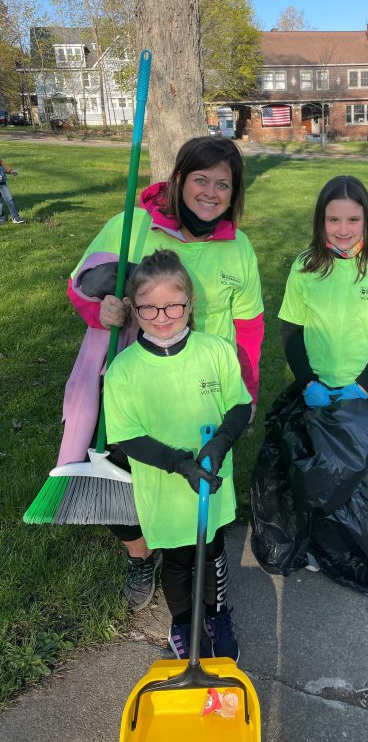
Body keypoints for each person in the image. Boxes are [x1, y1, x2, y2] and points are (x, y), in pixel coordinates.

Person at [66, 136, 264, 610]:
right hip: (131, 379)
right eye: (202, 179)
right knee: (114, 474)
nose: (211, 192)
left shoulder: (237, 247)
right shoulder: (130, 226)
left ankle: (201, 565)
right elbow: (82, 286)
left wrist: (248, 389)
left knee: (191, 480)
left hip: (200, 386)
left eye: (223, 184)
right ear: (178, 180)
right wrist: (103, 312)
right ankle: (140, 556)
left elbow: (249, 325)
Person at [104, 249, 251, 660]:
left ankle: (217, 616)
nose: (163, 316)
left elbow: (239, 406)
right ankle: (183, 623)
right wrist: (179, 463)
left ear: (191, 304)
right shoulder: (124, 370)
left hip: (212, 480)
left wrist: (219, 443)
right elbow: (127, 437)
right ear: (133, 309)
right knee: (177, 559)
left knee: (211, 548)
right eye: (149, 307)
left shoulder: (215, 351)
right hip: (164, 491)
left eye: (173, 305)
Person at [279, 175, 368, 572]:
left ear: (367, 221)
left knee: (359, 468)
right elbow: (291, 332)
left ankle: (357, 546)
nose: (343, 230)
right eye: (333, 220)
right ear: (321, 222)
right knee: (321, 471)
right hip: (318, 388)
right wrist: (308, 383)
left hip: (364, 391)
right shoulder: (304, 267)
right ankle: (322, 544)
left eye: (353, 220)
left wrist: (364, 386)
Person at [0, 158, 25, 224]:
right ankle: (1, 218)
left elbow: (3, 165)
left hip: (2, 183)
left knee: (10, 199)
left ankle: (15, 217)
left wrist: (10, 171)